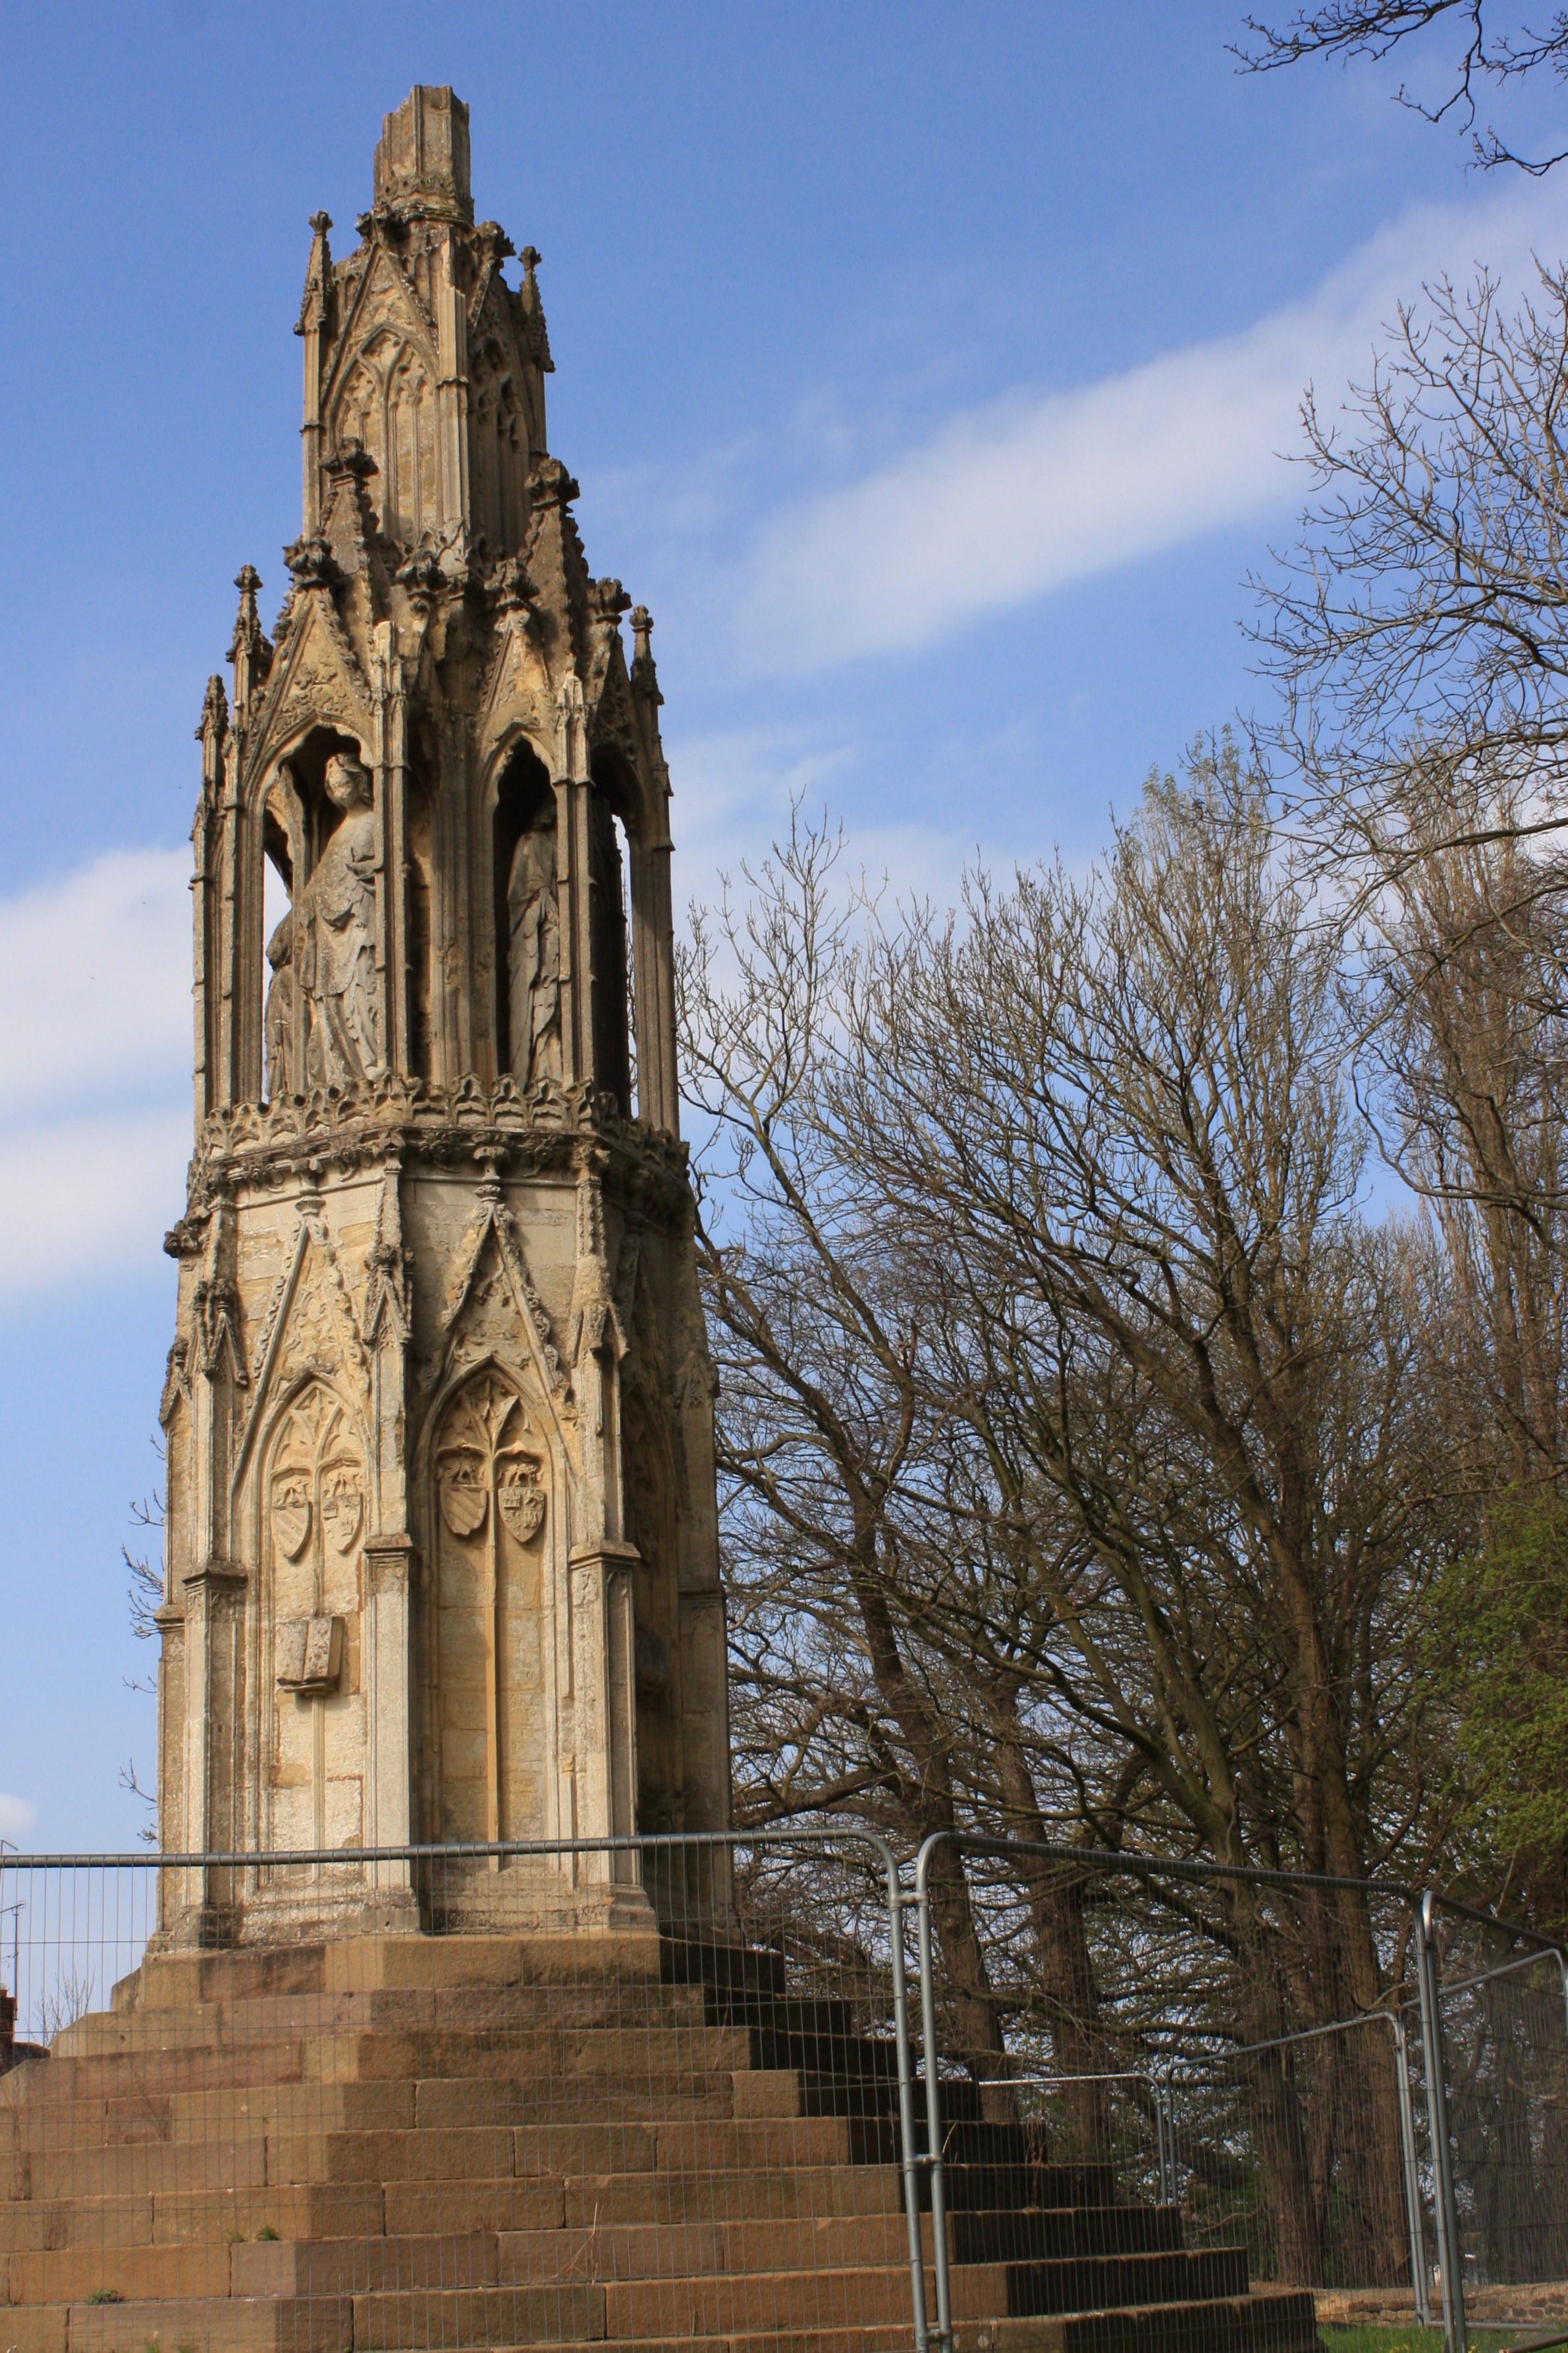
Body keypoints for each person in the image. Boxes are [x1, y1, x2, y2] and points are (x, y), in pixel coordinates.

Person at [298, 752, 379, 1086]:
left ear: (359, 782)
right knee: (330, 1001)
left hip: (359, 919)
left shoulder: (373, 822)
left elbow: (386, 866)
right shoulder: (338, 834)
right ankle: (341, 1073)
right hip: (331, 932)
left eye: (344, 783)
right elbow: (320, 879)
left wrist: (363, 872)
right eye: (335, 787)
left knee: (363, 989)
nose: (340, 791)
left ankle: (372, 1062)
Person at [507, 800, 562, 1086]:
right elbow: (516, 894)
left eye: (554, 809)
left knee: (551, 992)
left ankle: (550, 1068)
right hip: (533, 929)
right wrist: (538, 900)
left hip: (551, 927)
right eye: (547, 807)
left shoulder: (556, 848)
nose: (550, 813)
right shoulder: (528, 842)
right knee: (535, 994)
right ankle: (534, 1072)